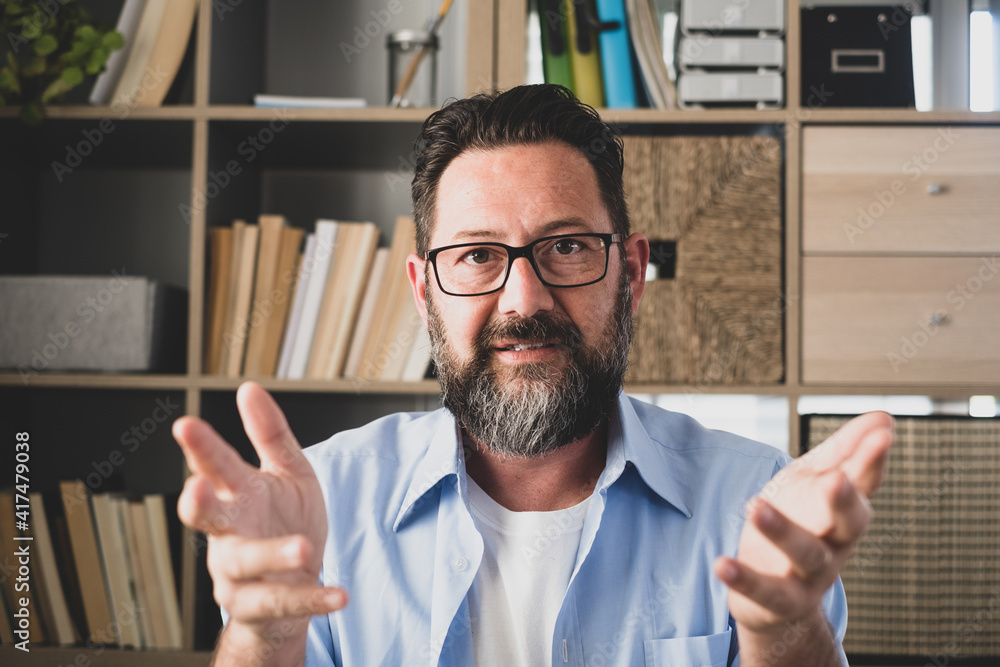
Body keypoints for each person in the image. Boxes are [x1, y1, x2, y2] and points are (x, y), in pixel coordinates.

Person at [173, 84, 893, 666]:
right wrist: (263, 641)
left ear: (631, 273)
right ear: (424, 291)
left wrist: (784, 635)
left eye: (569, 246)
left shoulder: (754, 507)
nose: (524, 300)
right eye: (478, 255)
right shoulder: (325, 509)